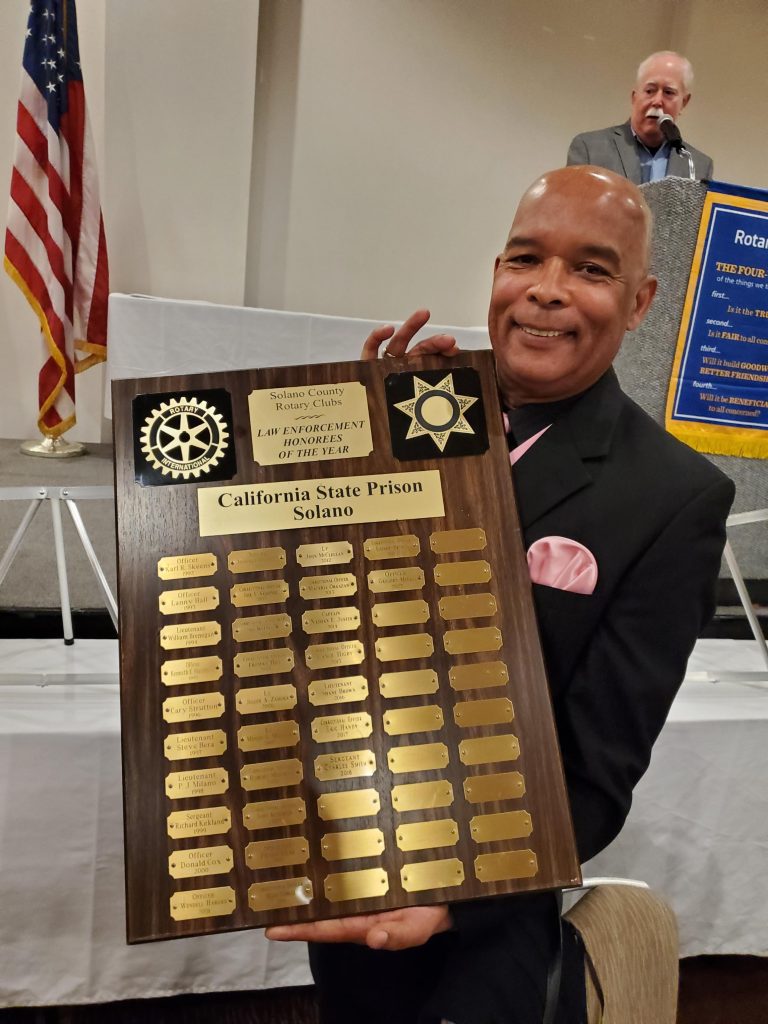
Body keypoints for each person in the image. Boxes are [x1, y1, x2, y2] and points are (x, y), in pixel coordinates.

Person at [266, 166, 734, 1023]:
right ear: (496, 274)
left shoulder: (672, 498)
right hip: (351, 883)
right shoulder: (419, 417)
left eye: (592, 271)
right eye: (526, 259)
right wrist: (355, 442)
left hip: (488, 939)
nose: (547, 293)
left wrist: (454, 901)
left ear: (638, 303)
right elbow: (315, 617)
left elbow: (595, 776)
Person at [567, 51, 713, 183]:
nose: (657, 101)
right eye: (650, 91)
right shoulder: (590, 148)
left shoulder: (697, 165)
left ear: (684, 102)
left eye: (668, 92)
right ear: (634, 97)